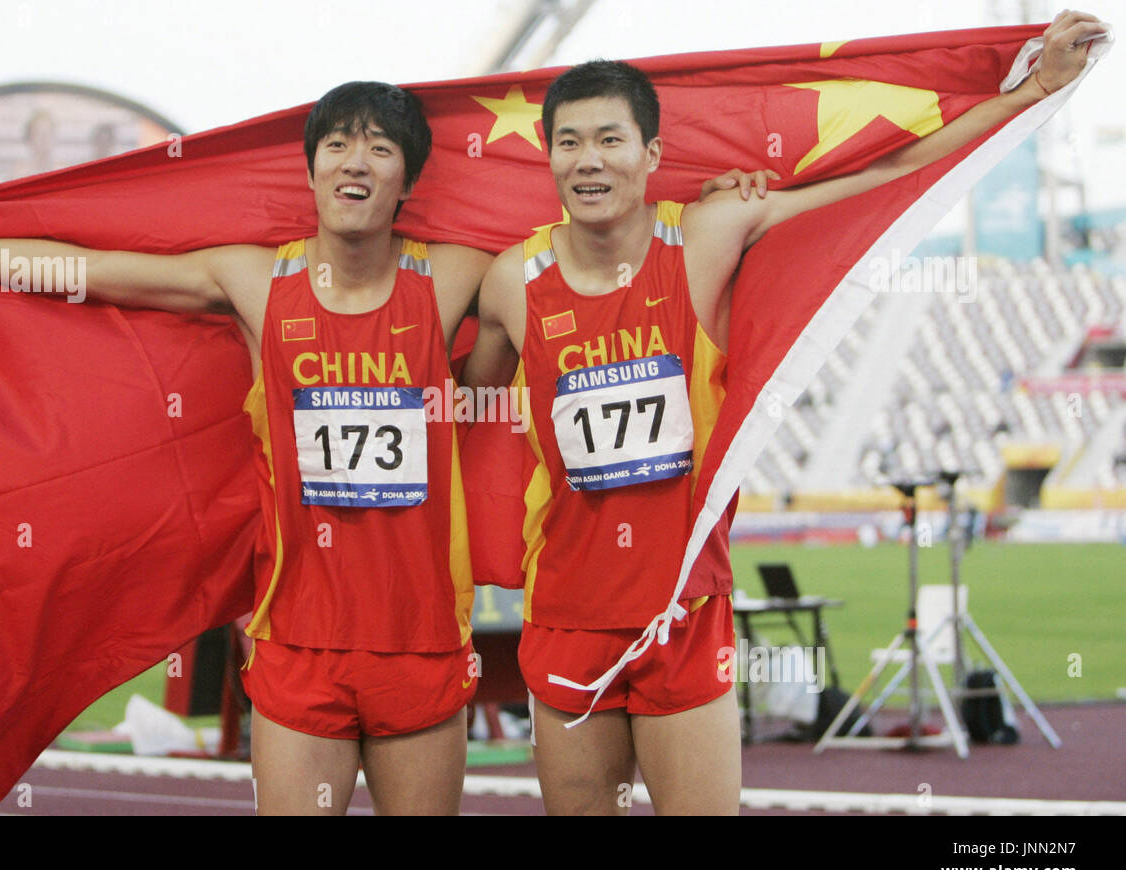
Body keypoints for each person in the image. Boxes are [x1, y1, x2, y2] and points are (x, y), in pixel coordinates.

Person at [0, 77, 786, 815]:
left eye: (379, 148)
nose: (356, 163)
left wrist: (731, 197)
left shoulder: (457, 275)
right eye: (338, 146)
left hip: (422, 647)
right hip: (295, 651)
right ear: (312, 169)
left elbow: (561, 272)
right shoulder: (255, 282)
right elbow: (96, 276)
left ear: (408, 181)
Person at [461, 11, 1102, 815]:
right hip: (564, 615)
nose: (589, 160)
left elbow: (885, 171)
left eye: (610, 139)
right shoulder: (511, 284)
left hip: (681, 613)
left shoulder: (706, 236)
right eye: (569, 142)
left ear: (650, 155)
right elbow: (464, 403)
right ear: (546, 154)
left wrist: (1029, 92)